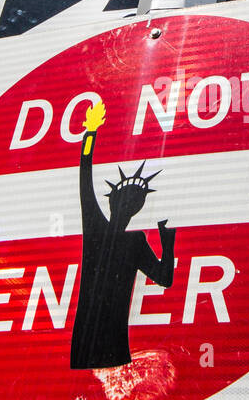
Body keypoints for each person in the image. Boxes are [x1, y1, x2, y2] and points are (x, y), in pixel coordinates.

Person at [70, 101, 176, 370]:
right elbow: (84, 176)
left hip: (107, 346)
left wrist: (168, 242)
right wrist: (90, 134)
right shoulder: (105, 231)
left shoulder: (127, 239)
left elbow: (164, 279)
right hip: (91, 344)